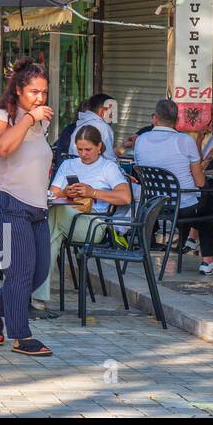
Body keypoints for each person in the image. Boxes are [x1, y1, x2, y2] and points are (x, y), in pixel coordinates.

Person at [0, 58, 55, 358]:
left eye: (44, 92)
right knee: (19, 271)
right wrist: (29, 119)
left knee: (38, 273)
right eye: (34, 91)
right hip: (4, 201)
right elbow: (4, 148)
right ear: (18, 89)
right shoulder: (1, 116)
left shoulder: (41, 121)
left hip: (36, 207)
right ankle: (21, 335)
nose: (40, 98)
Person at [32, 125, 132, 311]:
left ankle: (33, 293)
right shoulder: (69, 165)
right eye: (80, 149)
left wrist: (92, 192)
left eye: (88, 149)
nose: (84, 154)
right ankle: (37, 295)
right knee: (52, 230)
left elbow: (125, 197)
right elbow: (53, 195)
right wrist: (65, 192)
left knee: (48, 225)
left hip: (94, 225)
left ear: (99, 146)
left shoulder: (108, 167)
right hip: (66, 220)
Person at [135, 99, 212, 274]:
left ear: (154, 118)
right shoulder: (185, 141)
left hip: (154, 204)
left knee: (199, 204)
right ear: (177, 120)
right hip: (181, 205)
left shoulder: (140, 140)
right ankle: (208, 260)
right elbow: (199, 182)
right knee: (208, 205)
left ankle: (188, 240)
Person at [67, 93, 117, 161]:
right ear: (102, 111)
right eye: (111, 113)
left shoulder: (79, 125)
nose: (113, 117)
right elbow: (110, 159)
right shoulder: (104, 127)